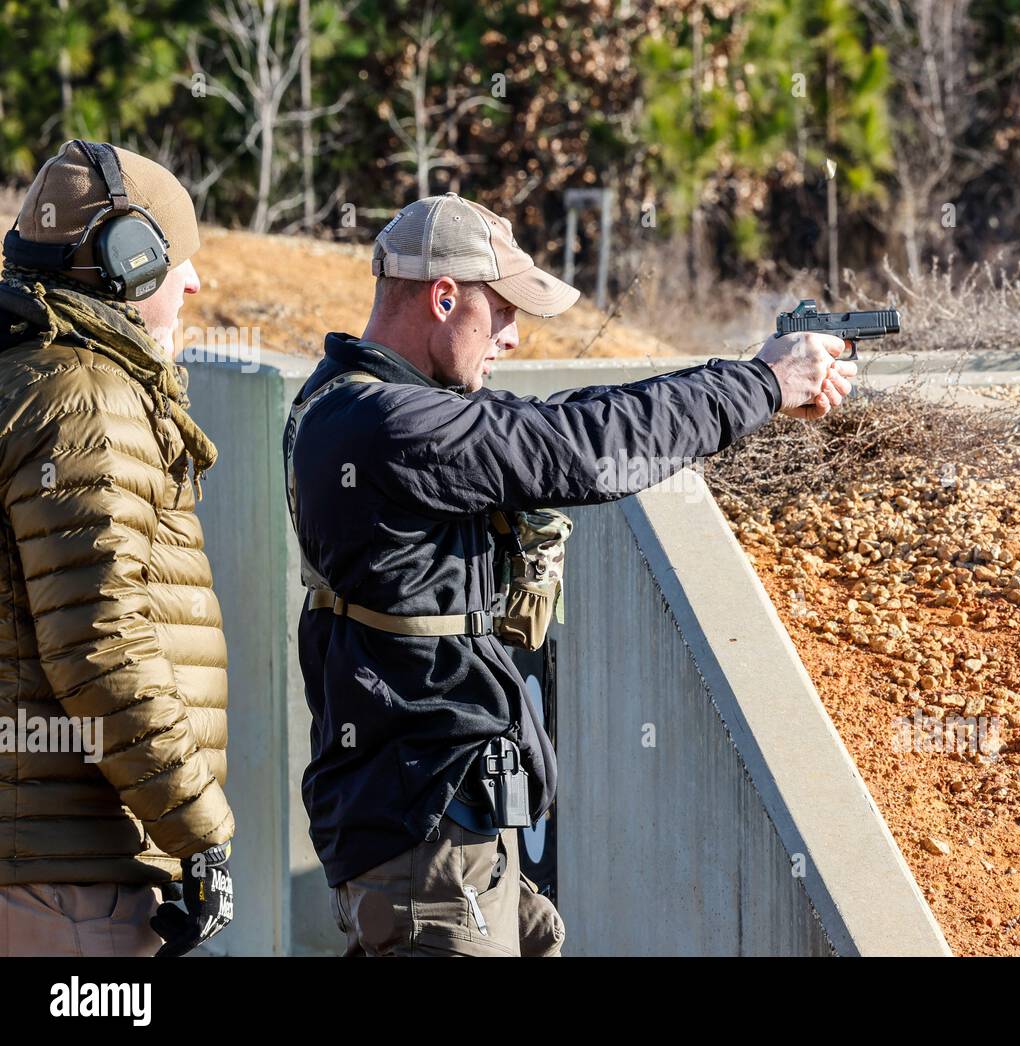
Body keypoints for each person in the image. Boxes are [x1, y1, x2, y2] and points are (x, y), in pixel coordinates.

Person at [284, 192, 854, 957]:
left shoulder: (350, 401)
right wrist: (761, 383)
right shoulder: (387, 425)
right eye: (504, 311)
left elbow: (564, 419)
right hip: (425, 841)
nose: (513, 337)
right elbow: (580, 446)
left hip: (431, 832)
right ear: (443, 297)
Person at [0, 140, 235, 957]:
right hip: (66, 890)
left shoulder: (27, 376)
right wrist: (199, 828)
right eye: (178, 262)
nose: (196, 284)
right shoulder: (86, 402)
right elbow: (100, 644)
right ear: (125, 263)